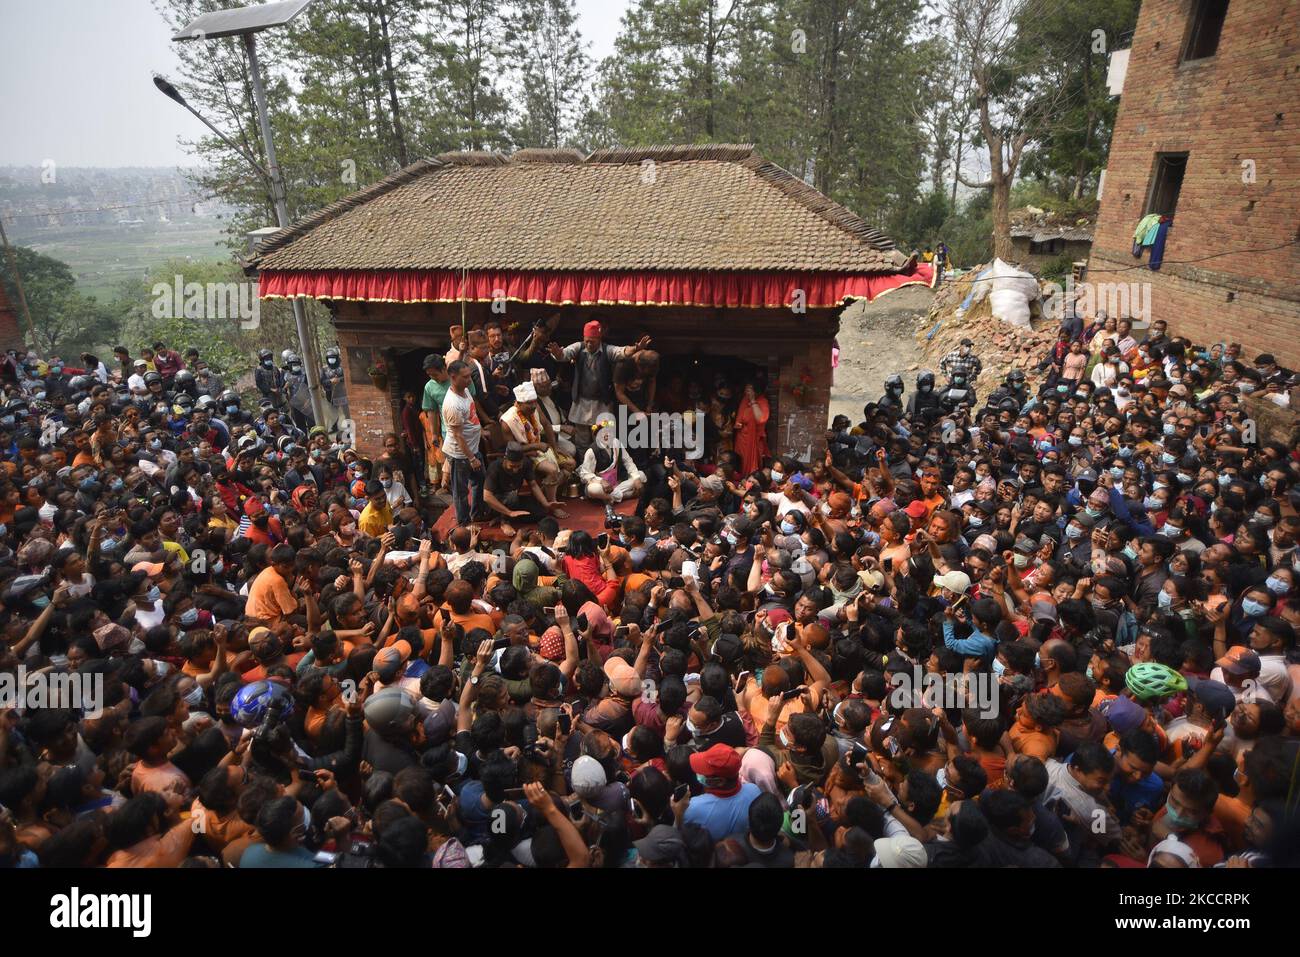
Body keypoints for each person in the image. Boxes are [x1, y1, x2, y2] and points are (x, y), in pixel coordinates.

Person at [442, 359, 484, 526]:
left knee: (480, 480)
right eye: (465, 377)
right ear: (453, 377)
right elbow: (458, 436)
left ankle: (477, 513)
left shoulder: (465, 391)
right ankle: (463, 523)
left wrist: (482, 430)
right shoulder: (452, 404)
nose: (469, 380)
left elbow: (471, 415)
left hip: (473, 448)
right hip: (460, 454)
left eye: (469, 376)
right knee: (460, 491)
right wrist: (471, 459)